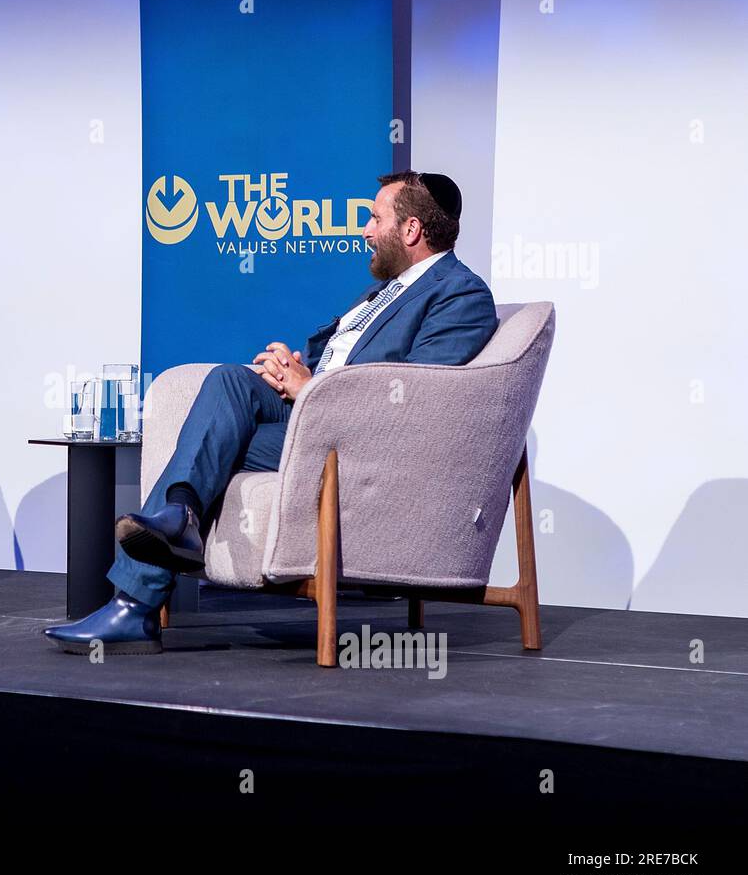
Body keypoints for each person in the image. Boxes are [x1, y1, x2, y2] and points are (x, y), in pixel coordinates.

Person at [44, 170, 498, 654]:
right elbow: (350, 361)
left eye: (374, 218)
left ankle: (134, 605)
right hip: (318, 413)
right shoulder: (387, 291)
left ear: (410, 230)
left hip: (355, 440)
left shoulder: (460, 294)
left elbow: (415, 396)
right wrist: (294, 370)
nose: (364, 230)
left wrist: (313, 388)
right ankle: (179, 513)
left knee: (214, 447)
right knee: (230, 379)